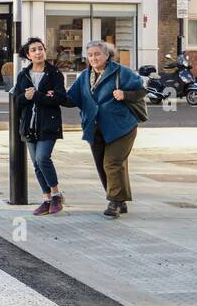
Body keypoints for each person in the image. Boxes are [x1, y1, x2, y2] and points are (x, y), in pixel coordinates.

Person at [66, 41, 146, 220]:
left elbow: (141, 90)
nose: (93, 58)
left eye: (97, 54)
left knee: (112, 163)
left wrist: (125, 95)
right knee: (103, 165)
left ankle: (114, 202)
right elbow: (71, 99)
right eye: (90, 55)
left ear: (106, 55)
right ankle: (120, 200)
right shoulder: (85, 76)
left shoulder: (120, 72)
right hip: (95, 128)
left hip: (122, 127)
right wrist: (50, 95)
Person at [12, 38, 73, 216]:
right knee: (37, 165)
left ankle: (56, 194)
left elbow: (60, 98)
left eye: (40, 49)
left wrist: (37, 96)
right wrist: (27, 97)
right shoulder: (23, 75)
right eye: (34, 50)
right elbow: (17, 100)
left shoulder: (55, 74)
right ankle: (47, 199)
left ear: (45, 51)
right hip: (29, 126)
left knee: (43, 158)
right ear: (28, 55)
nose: (38, 52)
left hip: (49, 124)